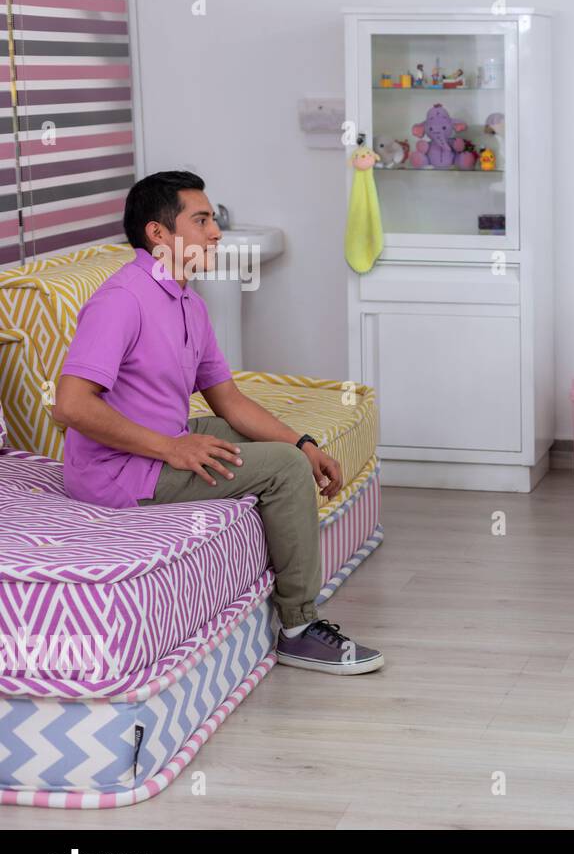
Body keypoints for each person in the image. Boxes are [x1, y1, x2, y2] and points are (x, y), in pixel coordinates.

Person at [53, 170, 383, 675]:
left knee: (292, 456)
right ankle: (298, 627)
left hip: (163, 443)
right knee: (283, 470)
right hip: (114, 470)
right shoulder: (121, 300)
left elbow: (228, 401)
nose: (215, 233)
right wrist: (170, 448)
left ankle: (296, 603)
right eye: (201, 220)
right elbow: (71, 405)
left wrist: (305, 441)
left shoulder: (189, 303)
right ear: (158, 234)